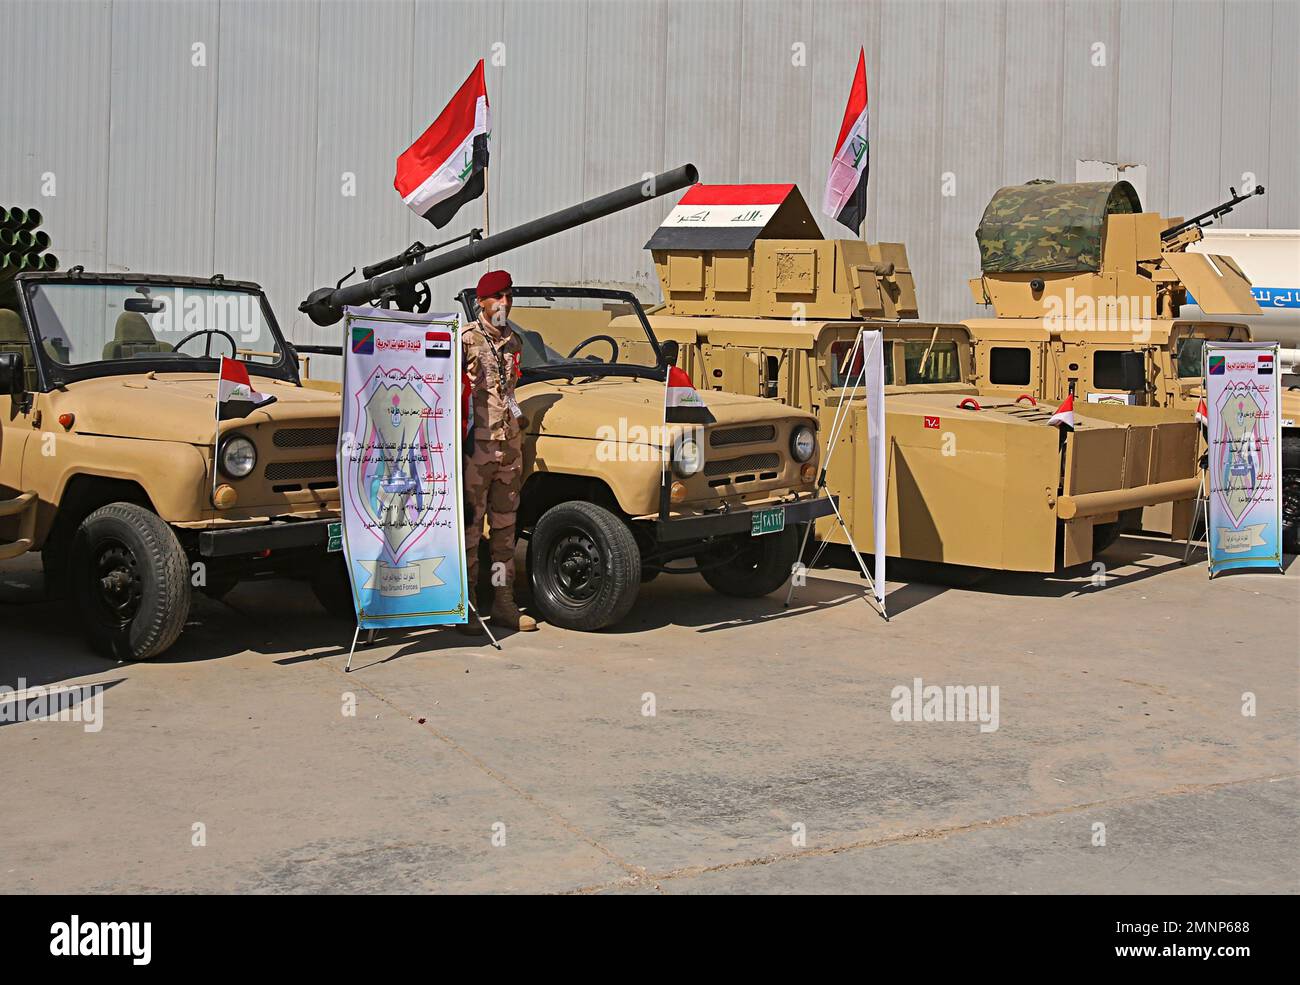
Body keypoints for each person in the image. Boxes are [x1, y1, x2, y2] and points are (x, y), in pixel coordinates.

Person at [459, 269, 538, 633]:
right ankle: (470, 605)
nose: (504, 303)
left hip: (508, 447)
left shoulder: (514, 343)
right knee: (472, 531)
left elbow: (510, 393)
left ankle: (503, 601)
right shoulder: (465, 341)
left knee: (505, 532)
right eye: (497, 297)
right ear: (482, 302)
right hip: (477, 449)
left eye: (508, 296)